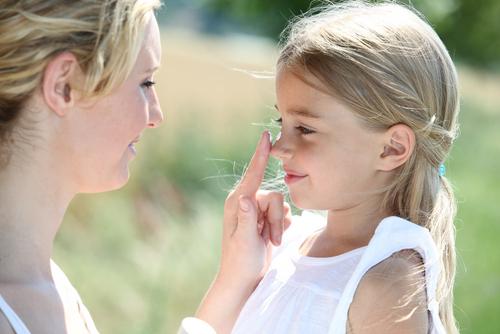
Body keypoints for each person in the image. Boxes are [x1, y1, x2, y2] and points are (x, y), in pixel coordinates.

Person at [0, 1, 290, 333]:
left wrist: (235, 280)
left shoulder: (50, 285)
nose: (156, 115)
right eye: (146, 83)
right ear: (63, 85)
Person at [197, 1, 461, 333]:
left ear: (392, 148)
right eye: (282, 121)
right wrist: (235, 276)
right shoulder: (285, 250)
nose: (278, 148)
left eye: (305, 129)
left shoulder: (385, 284)